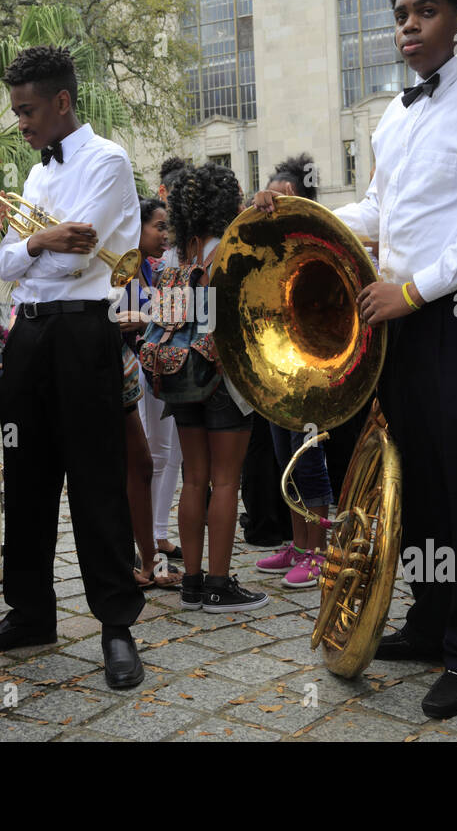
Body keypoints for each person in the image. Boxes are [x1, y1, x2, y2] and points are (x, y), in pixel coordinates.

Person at [255, 0, 457, 718]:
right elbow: (379, 213)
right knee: (419, 481)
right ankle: (431, 619)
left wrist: (412, 290)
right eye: (401, 15)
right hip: (408, 318)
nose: (408, 26)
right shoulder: (395, 115)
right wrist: (298, 215)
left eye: (426, 11)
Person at [0, 45, 146, 690]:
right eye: (16, 110)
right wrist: (39, 242)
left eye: (27, 110)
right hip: (30, 332)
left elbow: (78, 262)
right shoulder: (39, 172)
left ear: (62, 102)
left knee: (97, 476)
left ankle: (115, 623)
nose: (20, 122)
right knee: (27, 474)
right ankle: (30, 612)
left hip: (83, 328)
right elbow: (5, 267)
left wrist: (36, 249)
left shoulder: (106, 160)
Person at [157, 162, 268, 613]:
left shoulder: (178, 254)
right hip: (224, 379)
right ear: (225, 205)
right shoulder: (232, 249)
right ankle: (220, 586)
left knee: (194, 479)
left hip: (180, 375)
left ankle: (192, 584)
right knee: (226, 482)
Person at [253, 154, 333, 588]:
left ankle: (319, 551)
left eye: (286, 197)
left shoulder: (321, 234)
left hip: (312, 366)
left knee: (309, 461)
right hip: (277, 363)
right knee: (285, 458)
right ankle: (300, 545)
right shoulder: (271, 238)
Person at [132, 196, 183, 566]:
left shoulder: (153, 267)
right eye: (158, 226)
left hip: (158, 364)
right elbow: (122, 314)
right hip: (137, 367)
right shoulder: (129, 267)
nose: (164, 235)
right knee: (153, 454)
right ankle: (147, 540)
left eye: (167, 227)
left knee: (169, 453)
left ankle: (158, 533)